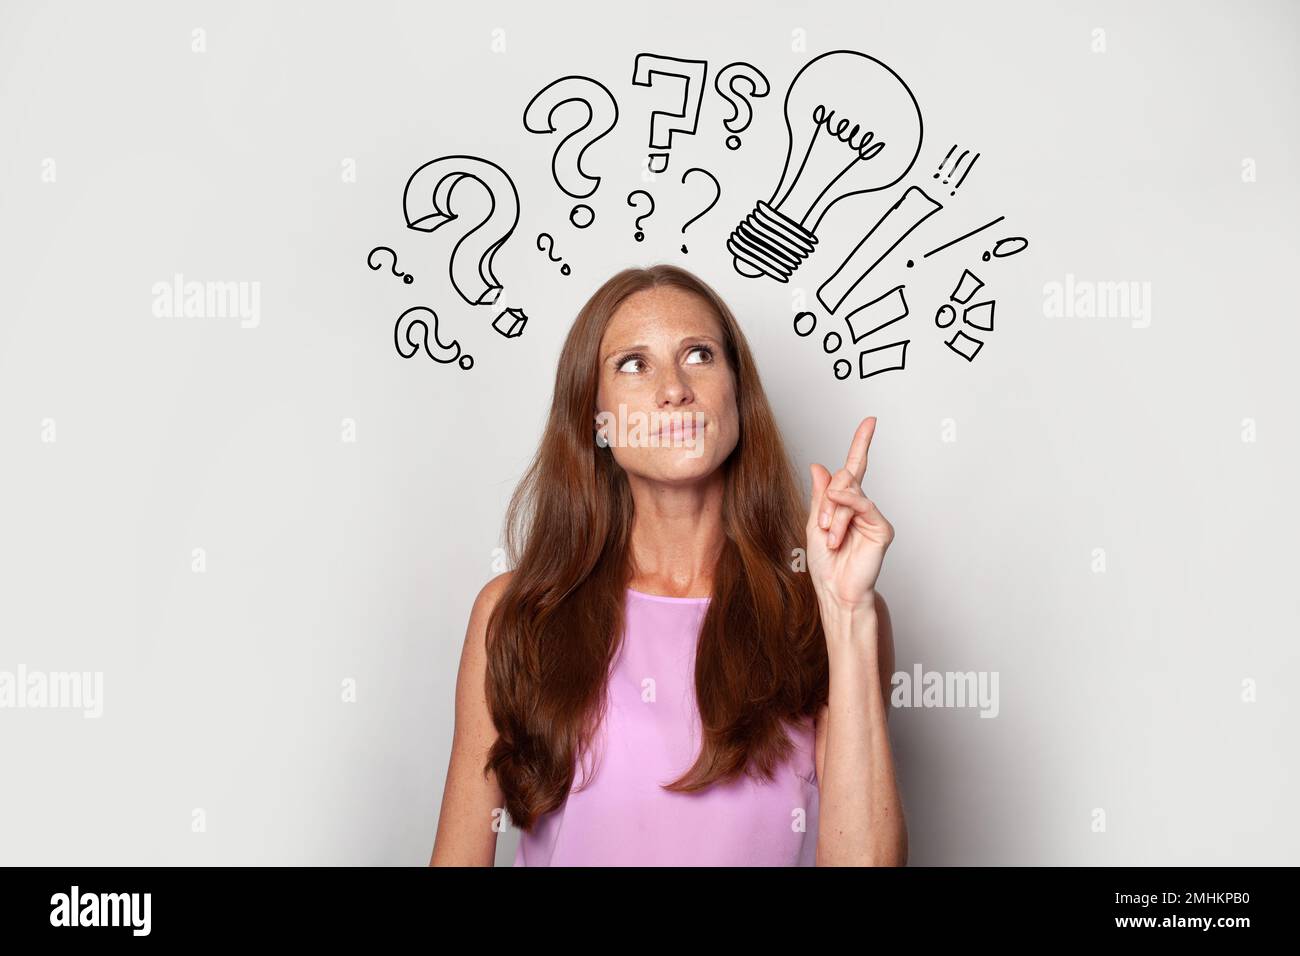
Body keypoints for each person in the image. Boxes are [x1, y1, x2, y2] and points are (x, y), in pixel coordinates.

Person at [430, 264, 904, 866]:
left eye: (700, 355)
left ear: (738, 391)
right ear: (594, 419)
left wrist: (847, 611)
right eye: (633, 364)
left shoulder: (825, 613)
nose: (674, 388)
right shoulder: (515, 614)